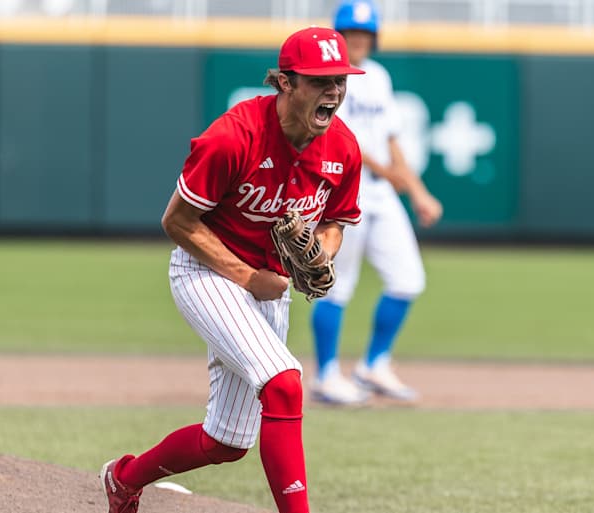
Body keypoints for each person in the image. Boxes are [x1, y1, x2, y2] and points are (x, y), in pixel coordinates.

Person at [99, 27, 364, 513]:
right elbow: (177, 221)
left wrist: (321, 252)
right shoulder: (232, 137)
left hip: (271, 285)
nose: (334, 91)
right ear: (284, 83)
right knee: (285, 381)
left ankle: (123, 478)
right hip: (207, 272)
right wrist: (246, 278)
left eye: (340, 80)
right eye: (320, 80)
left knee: (226, 441)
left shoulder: (343, 148)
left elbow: (335, 222)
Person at [310, 0, 444, 406]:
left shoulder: (379, 77)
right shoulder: (328, 78)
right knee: (337, 284)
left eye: (365, 34)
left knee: (407, 279)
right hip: (344, 189)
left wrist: (417, 191)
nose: (359, 41)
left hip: (382, 193)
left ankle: (374, 364)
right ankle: (327, 374)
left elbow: (389, 139)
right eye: (352, 34)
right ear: (339, 36)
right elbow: (338, 134)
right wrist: (389, 172)